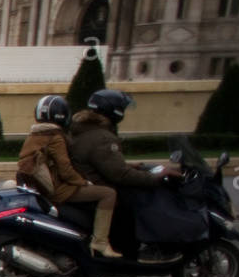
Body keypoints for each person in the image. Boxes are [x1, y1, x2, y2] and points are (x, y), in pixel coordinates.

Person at [69, 89, 181, 260]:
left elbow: (104, 163)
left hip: (89, 181)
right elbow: (119, 175)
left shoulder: (87, 130)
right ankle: (132, 252)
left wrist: (130, 166)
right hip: (98, 186)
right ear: (115, 111)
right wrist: (154, 179)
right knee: (138, 202)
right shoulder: (103, 137)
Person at [18, 95, 121, 259]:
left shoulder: (35, 134)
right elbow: (65, 169)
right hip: (58, 190)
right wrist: (83, 182)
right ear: (63, 115)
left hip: (39, 187)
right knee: (108, 194)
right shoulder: (55, 136)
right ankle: (100, 242)